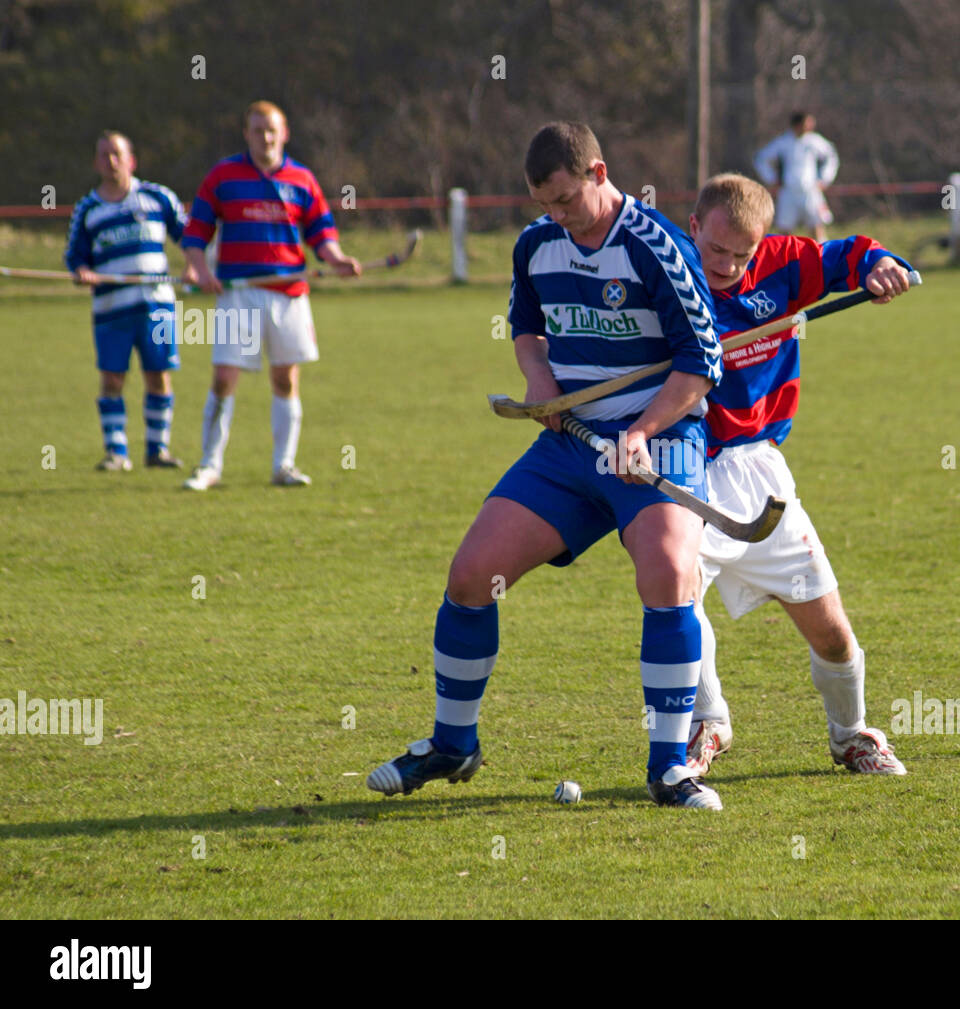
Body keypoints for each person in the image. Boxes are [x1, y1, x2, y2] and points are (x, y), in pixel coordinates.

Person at [367, 122, 727, 809]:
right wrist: (539, 380)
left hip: (660, 442)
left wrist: (644, 429)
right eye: (545, 202)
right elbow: (526, 328)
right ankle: (453, 745)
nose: (556, 215)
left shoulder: (658, 248)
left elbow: (700, 367)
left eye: (565, 199)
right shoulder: (536, 242)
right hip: (569, 444)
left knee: (670, 572)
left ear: (598, 172)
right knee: (474, 574)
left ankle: (669, 766)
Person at [681, 173, 911, 777]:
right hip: (686, 468)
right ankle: (708, 723)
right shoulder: (666, 275)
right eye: (716, 250)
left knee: (832, 633)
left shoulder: (782, 266)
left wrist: (881, 267)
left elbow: (852, 254)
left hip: (760, 472)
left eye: (742, 254)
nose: (727, 265)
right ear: (693, 227)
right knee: (676, 600)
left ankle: (851, 733)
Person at [179, 100, 360, 490]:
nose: (265, 137)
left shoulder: (302, 179)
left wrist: (338, 259)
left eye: (271, 129)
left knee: (285, 379)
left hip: (288, 294)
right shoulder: (223, 175)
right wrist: (200, 268)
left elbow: (321, 234)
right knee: (224, 379)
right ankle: (209, 466)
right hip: (238, 293)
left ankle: (284, 465)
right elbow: (196, 232)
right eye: (257, 129)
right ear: (246, 134)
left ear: (285, 133)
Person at [65, 130, 188, 471]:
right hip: (111, 311)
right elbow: (74, 257)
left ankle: (157, 450)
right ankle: (117, 453)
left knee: (158, 375)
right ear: (96, 162)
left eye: (117, 154)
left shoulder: (157, 198)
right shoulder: (88, 209)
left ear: (131, 160)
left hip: (156, 306)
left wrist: (195, 267)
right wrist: (82, 271)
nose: (111, 160)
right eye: (104, 155)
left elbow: (191, 237)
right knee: (112, 378)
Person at [754, 111, 839, 242]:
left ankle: (822, 257)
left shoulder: (815, 141)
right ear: (798, 125)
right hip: (788, 192)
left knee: (816, 226)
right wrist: (771, 179)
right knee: (784, 230)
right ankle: (784, 259)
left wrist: (825, 179)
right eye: (807, 123)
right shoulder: (783, 142)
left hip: (810, 191)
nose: (810, 126)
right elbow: (762, 159)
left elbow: (831, 157)